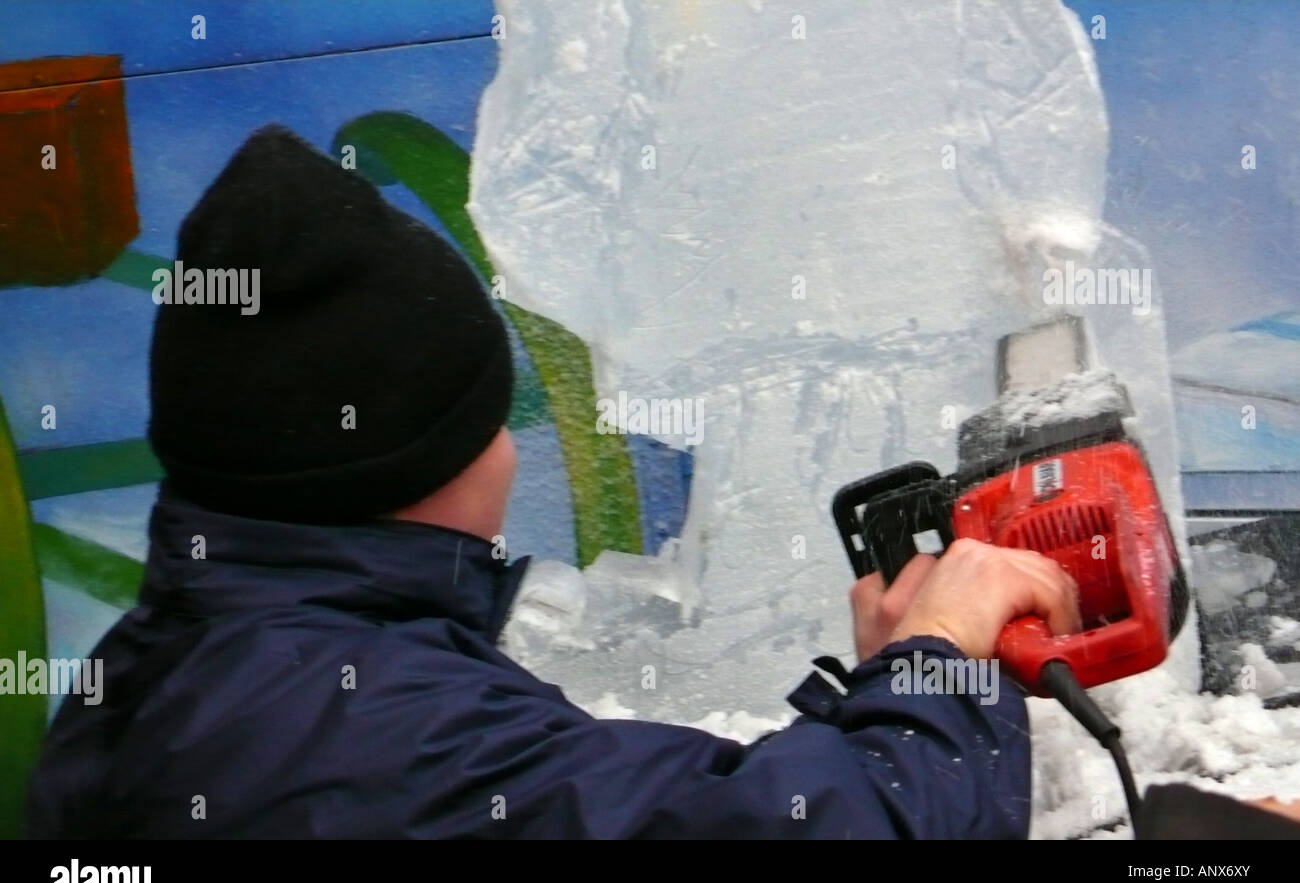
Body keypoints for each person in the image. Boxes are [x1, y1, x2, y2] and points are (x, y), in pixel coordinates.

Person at [26, 126, 1082, 839]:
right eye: (493, 415)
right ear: (425, 461)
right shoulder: (365, 734)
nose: (517, 446)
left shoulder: (195, 655)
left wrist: (887, 691)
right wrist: (943, 661)